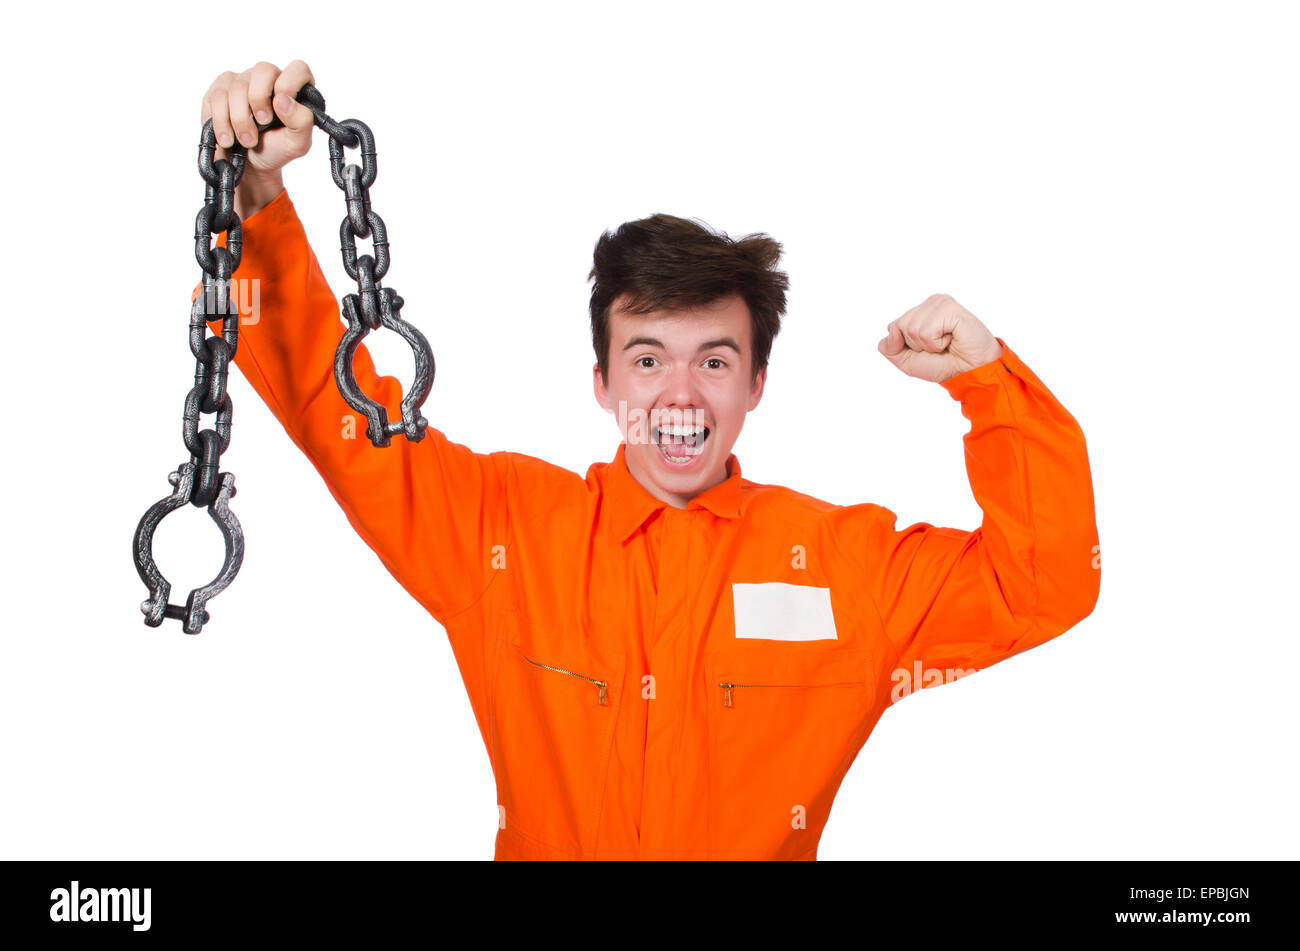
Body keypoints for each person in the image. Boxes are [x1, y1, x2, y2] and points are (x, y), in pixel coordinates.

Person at [196, 60, 1101, 860]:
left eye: (713, 360)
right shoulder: (499, 532)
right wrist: (258, 207)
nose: (678, 394)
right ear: (601, 380)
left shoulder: (847, 571)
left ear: (756, 383)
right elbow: (337, 411)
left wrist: (988, 385)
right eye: (645, 357)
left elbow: (1043, 581)